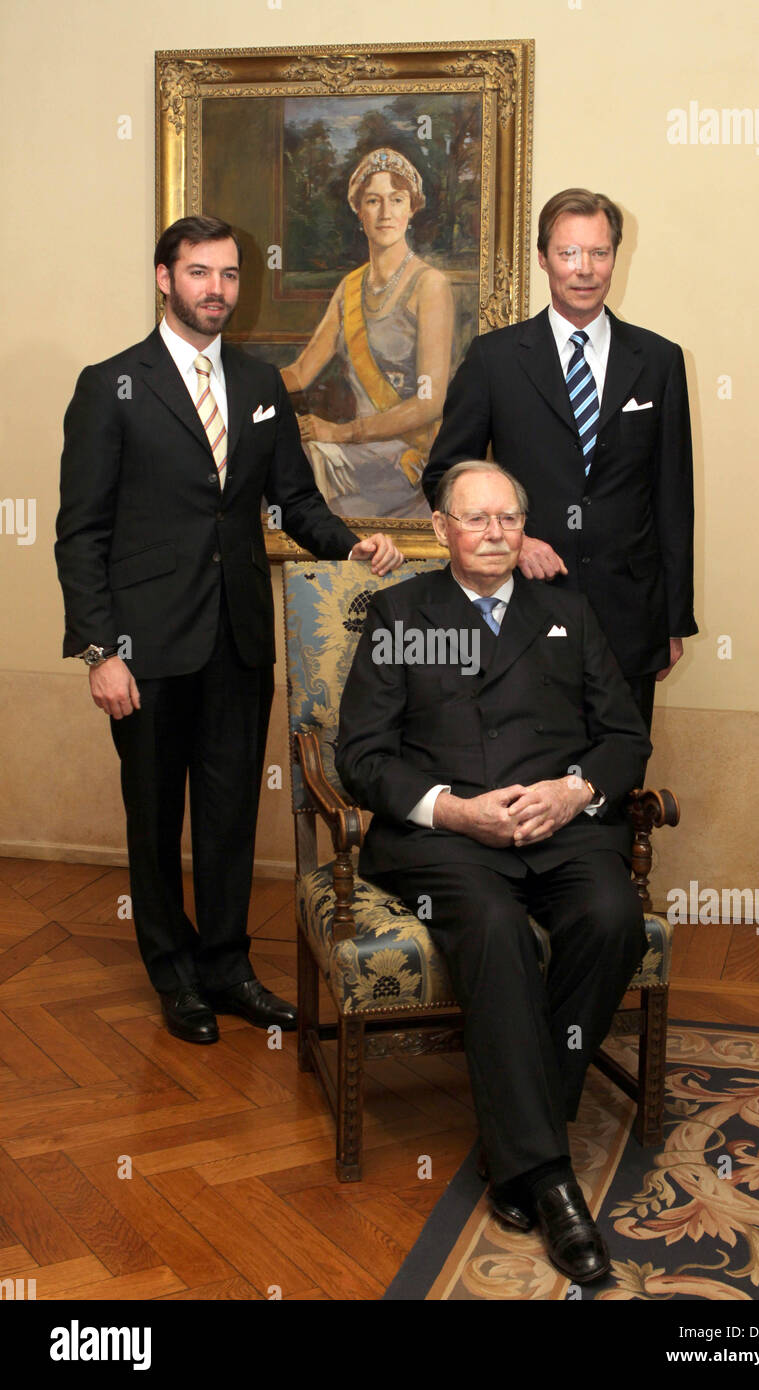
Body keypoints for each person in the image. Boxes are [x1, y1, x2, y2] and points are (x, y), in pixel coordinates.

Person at [55, 215, 403, 1047]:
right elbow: (81, 534)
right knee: (153, 818)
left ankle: (227, 966)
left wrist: (351, 541)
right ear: (163, 279)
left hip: (238, 641)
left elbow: (293, 499)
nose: (217, 289)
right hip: (143, 649)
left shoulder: (257, 385)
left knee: (227, 812)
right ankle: (173, 976)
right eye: (200, 273)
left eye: (230, 276)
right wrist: (100, 652)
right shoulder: (112, 386)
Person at [336, 460, 651, 1285]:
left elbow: (623, 738)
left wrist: (574, 789)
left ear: (523, 527)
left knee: (612, 917)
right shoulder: (400, 614)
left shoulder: (567, 612)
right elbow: (360, 759)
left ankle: (515, 1140)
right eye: (473, 519)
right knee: (498, 931)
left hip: (558, 829)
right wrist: (453, 809)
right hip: (448, 839)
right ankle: (547, 1177)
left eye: (507, 518)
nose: (492, 533)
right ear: (440, 530)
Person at [423, 188, 697, 731]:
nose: (585, 269)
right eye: (569, 253)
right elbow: (443, 477)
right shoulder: (494, 359)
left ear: (616, 257)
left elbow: (674, 497)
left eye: (599, 253)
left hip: (629, 619)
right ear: (544, 258)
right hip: (517, 610)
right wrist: (514, 540)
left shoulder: (660, 361)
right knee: (528, 783)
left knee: (614, 785)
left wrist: (674, 619)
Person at [281, 147, 455, 520]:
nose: (386, 212)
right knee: (281, 461)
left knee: (309, 466)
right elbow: (299, 373)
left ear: (412, 209)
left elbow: (430, 403)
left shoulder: (430, 285)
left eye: (397, 199)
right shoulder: (350, 286)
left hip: (408, 460)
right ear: (359, 212)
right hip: (356, 456)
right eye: (373, 201)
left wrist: (342, 433)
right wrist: (232, 381)